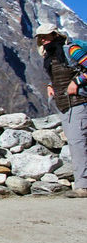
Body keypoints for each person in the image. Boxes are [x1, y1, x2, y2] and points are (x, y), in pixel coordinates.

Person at [35, 23, 87, 198]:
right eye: (40, 37)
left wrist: (77, 82)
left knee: (78, 143)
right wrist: (51, 85)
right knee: (76, 142)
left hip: (79, 102)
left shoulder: (71, 50)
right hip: (65, 104)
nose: (43, 40)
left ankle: (83, 186)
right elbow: (59, 75)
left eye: (45, 36)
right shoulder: (51, 56)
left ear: (55, 35)